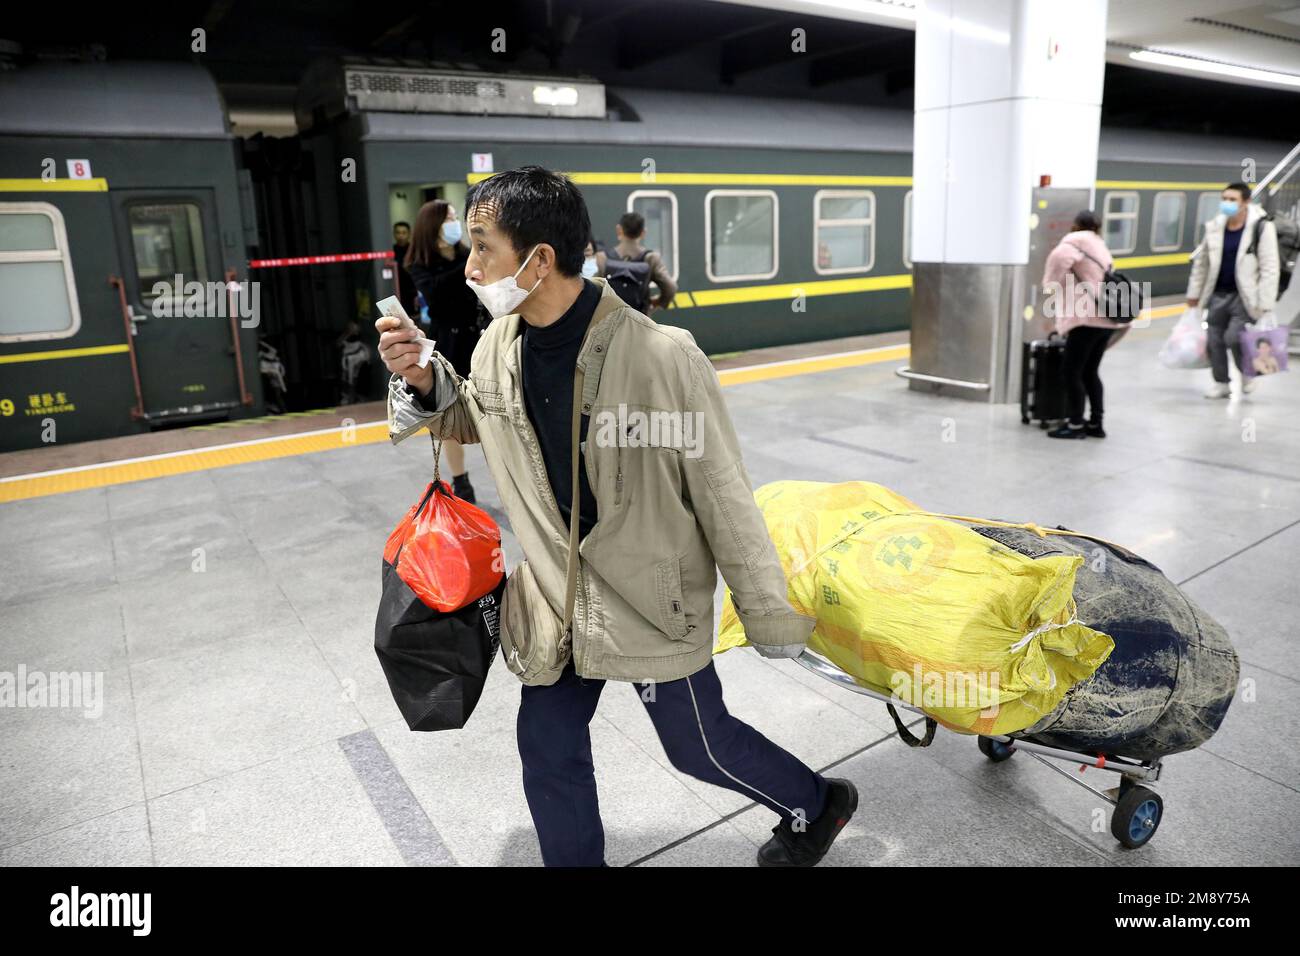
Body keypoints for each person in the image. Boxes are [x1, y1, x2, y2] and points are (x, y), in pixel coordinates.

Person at [377, 165, 857, 868]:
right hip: (555, 597)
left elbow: (722, 490)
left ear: (539, 261)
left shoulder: (661, 357)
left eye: (484, 247)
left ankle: (819, 803)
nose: (471, 265)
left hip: (648, 596)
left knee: (696, 745)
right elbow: (478, 420)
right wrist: (424, 380)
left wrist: (767, 610)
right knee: (546, 748)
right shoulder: (496, 346)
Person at [405, 200, 480, 503]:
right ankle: (460, 480)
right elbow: (433, 293)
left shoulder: (467, 253)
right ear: (432, 226)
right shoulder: (418, 264)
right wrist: (467, 269)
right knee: (446, 413)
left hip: (477, 337)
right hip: (445, 344)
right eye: (448, 219)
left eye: (454, 218)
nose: (454, 223)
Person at [1185, 182, 1280, 398]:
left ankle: (1247, 372)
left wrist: (1265, 303)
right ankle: (1221, 383)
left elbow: (1270, 267)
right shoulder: (1215, 227)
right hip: (1217, 293)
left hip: (1245, 296)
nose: (1226, 203)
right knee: (1214, 340)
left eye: (1232, 199)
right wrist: (1193, 293)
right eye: (1224, 199)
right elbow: (1203, 264)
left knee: (1234, 338)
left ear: (1246, 202)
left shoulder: (1261, 227)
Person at [1041, 210, 1123, 439]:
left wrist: (1050, 286)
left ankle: (1075, 424)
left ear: (1075, 225)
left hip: (1085, 318)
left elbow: (1053, 274)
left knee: (1071, 372)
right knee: (1090, 372)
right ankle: (1096, 424)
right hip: (1107, 318)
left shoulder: (1072, 245)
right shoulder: (1100, 245)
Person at [604, 212, 676, 314]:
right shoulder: (650, 258)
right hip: (640, 321)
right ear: (643, 233)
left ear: (619, 230)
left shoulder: (604, 258)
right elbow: (671, 288)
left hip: (611, 320)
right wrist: (658, 302)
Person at [392, 221, 417, 317]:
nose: (401, 236)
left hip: (412, 291)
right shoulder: (391, 250)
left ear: (409, 234)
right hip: (396, 290)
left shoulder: (414, 250)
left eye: (404, 233)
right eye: (398, 233)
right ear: (394, 234)